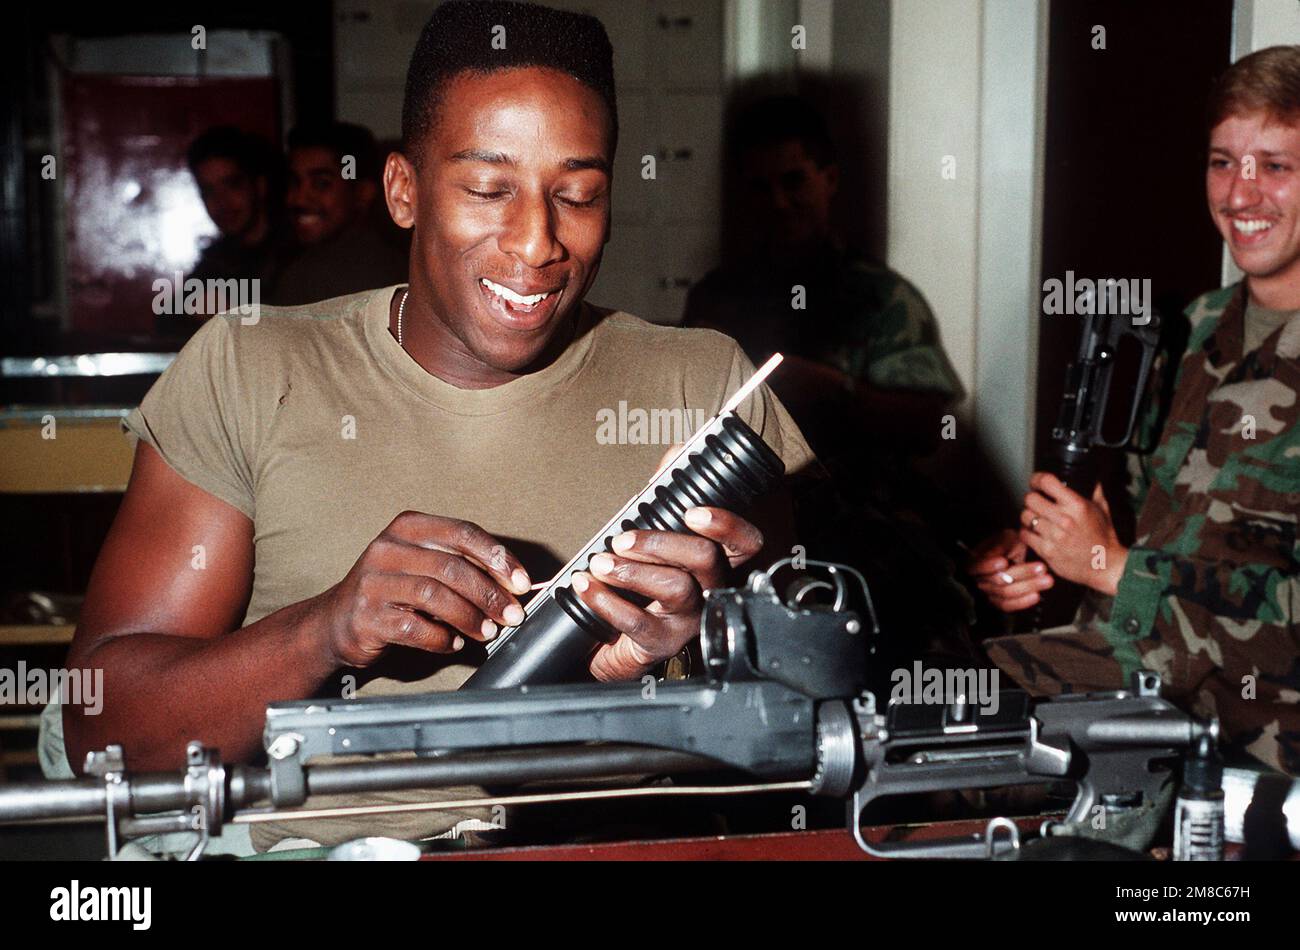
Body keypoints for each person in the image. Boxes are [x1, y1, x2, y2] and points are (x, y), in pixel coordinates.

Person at [42, 0, 814, 855]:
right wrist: (325, 630)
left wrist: (669, 667)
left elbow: (798, 726)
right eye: (489, 189)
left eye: (579, 194)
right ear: (403, 190)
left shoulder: (699, 385)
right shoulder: (253, 370)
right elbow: (98, 730)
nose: (536, 242)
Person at [971, 45, 1300, 776]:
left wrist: (1111, 566)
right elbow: (1140, 533)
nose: (1241, 195)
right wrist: (1038, 562)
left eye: (1275, 166)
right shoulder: (1195, 330)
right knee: (914, 708)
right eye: (1223, 162)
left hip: (1262, 740)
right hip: (1137, 689)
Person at [268, 121, 408, 305]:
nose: (299, 199)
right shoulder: (301, 263)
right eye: (294, 182)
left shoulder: (366, 273)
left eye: (321, 184)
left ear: (363, 192)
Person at [171, 126, 290, 338]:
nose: (221, 202)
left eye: (232, 185)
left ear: (260, 186)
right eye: (208, 191)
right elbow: (168, 323)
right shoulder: (215, 262)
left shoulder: (295, 252)